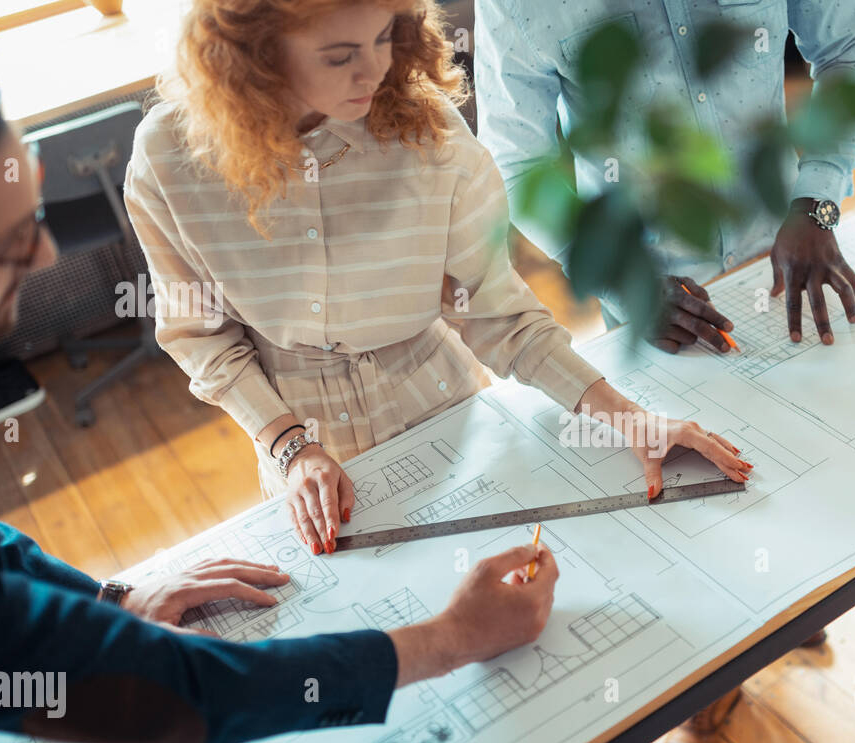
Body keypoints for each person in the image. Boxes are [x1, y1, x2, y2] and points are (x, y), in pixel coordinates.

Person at [0, 52, 560, 743]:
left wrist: (106, 600)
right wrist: (453, 637)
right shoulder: (169, 160)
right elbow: (175, 693)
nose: (43, 257)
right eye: (5, 244)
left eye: (32, 208)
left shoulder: (420, 128)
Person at [123, 0, 753, 563]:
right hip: (297, 445)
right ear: (255, 53)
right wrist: (291, 449)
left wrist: (633, 421)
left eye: (382, 36)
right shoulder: (167, 159)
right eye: (340, 55)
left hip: (447, 414)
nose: (373, 71)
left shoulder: (431, 135)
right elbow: (201, 335)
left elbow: (501, 319)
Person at [473, 0, 855, 743]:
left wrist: (817, 200)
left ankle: (793, 602)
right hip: (655, 294)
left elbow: (850, 47)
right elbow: (520, 162)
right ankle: (706, 693)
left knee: (803, 460)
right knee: (698, 505)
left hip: (787, 253)